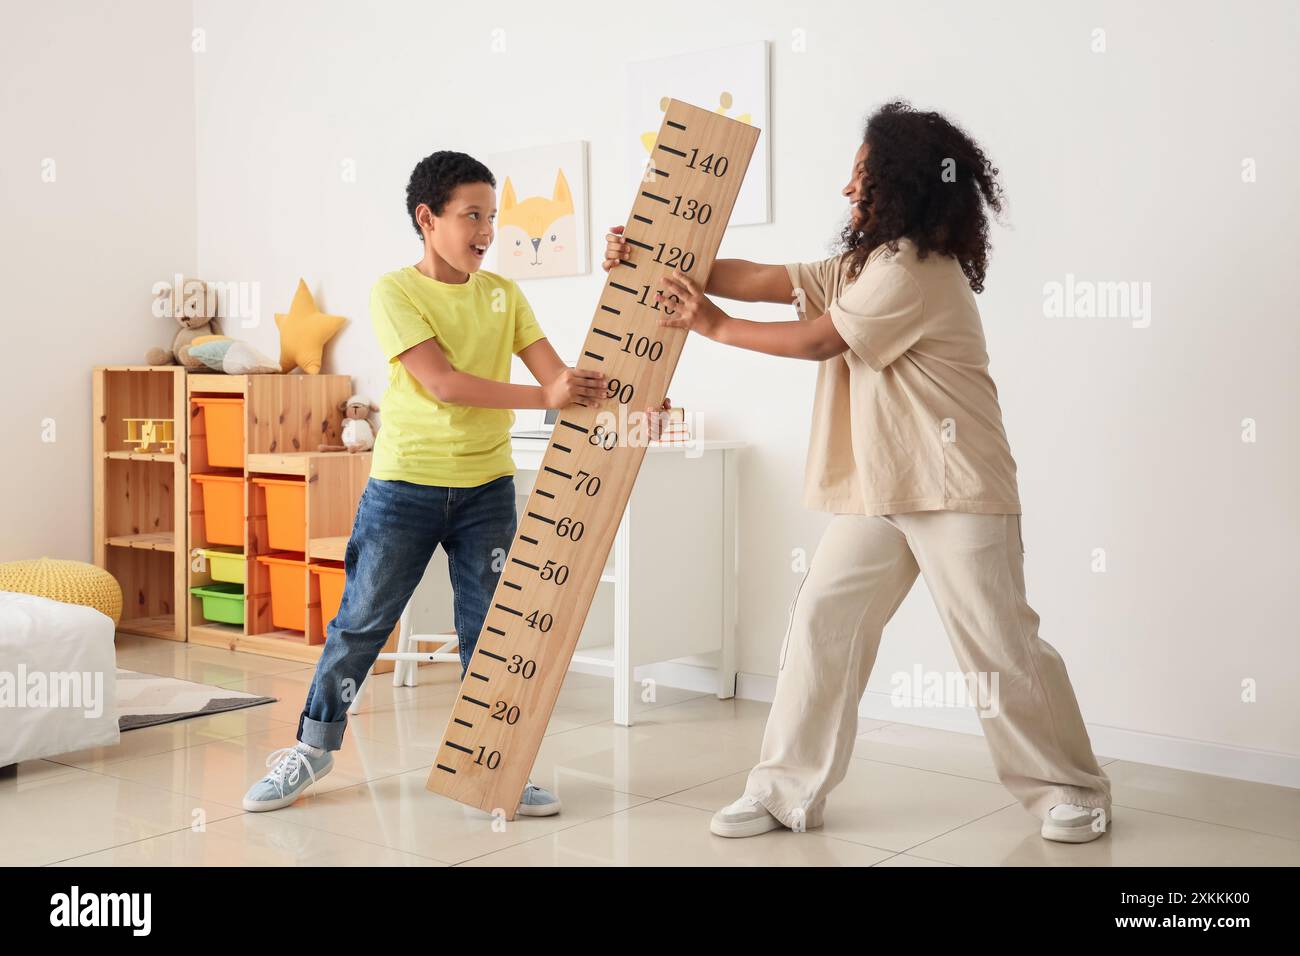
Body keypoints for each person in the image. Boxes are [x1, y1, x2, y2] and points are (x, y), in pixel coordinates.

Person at [603, 101, 1112, 844]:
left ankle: (1071, 789)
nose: (848, 189)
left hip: (957, 485)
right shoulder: (864, 264)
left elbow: (817, 341)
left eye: (862, 175)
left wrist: (707, 322)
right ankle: (783, 790)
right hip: (882, 486)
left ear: (900, 183)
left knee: (998, 643)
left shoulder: (914, 270)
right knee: (823, 621)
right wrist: (653, 257)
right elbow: (761, 277)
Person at [244, 150, 662, 815]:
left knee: (491, 632)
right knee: (360, 624)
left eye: (492, 217)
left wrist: (636, 390)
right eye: (473, 215)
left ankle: (494, 765)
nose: (487, 231)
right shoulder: (395, 291)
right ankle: (313, 749)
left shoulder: (505, 295)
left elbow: (565, 382)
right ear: (427, 218)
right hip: (403, 489)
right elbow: (443, 384)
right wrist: (546, 394)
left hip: (485, 492)